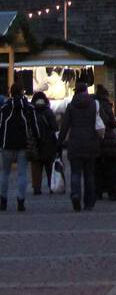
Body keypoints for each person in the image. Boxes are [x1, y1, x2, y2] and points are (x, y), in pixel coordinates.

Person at [58, 80, 102, 211]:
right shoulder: (94, 104)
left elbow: (65, 126)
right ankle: (89, 202)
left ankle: (76, 194)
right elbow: (100, 122)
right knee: (89, 174)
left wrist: (59, 142)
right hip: (91, 142)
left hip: (75, 143)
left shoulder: (71, 106)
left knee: (75, 172)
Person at [0, 83, 38, 212]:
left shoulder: (5, 107)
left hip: (6, 144)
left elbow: (0, 125)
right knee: (22, 173)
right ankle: (21, 201)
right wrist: (37, 139)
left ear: (10, 92)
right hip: (23, 144)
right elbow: (34, 126)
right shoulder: (28, 107)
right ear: (22, 92)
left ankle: (3, 201)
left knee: (5, 172)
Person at [29, 91, 58, 195]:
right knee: (49, 166)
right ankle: (52, 186)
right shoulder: (49, 111)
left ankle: (37, 188)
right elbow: (55, 127)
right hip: (49, 143)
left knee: (36, 167)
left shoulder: (32, 112)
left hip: (35, 143)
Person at [94, 84, 116, 200]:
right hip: (109, 139)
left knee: (98, 168)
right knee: (111, 168)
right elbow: (113, 123)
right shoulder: (106, 104)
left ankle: (98, 192)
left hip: (97, 140)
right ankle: (112, 192)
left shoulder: (93, 104)